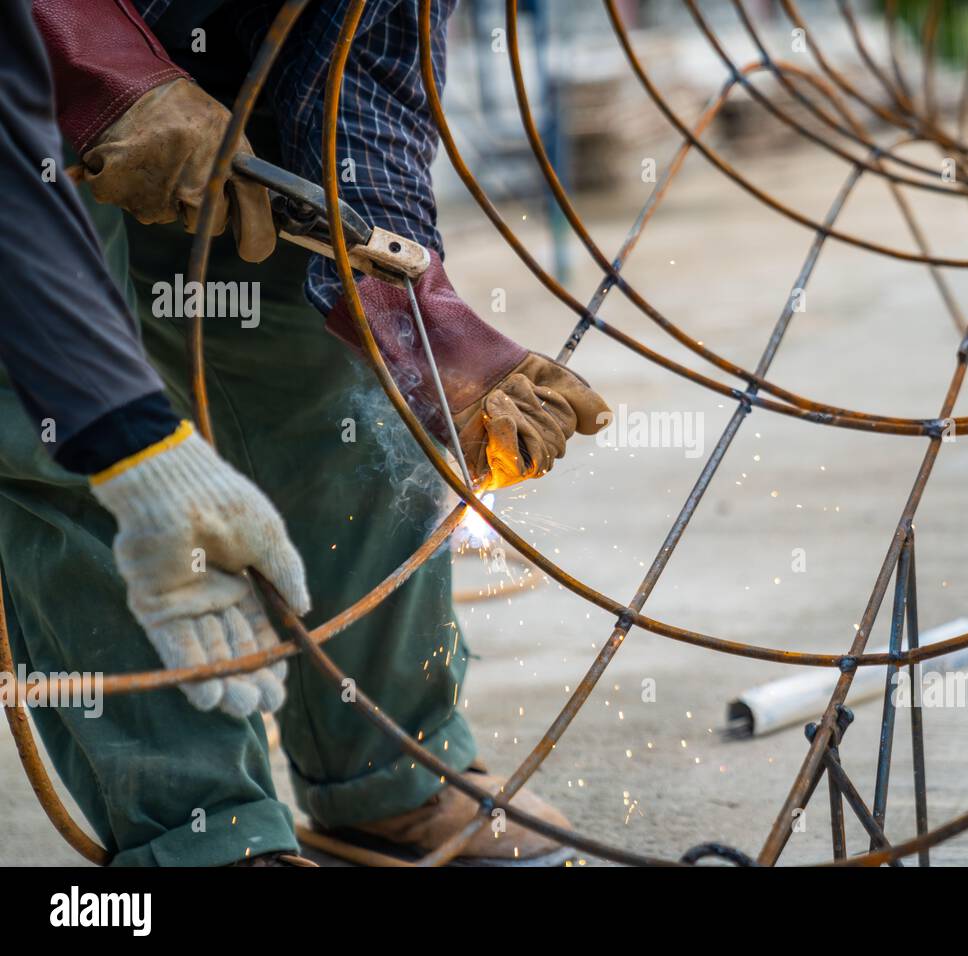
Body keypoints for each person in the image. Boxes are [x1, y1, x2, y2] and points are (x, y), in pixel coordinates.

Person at [0, 0, 607, 866]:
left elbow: (364, 83)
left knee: (328, 380)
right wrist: (105, 76)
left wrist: (408, 315)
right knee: (63, 427)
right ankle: (204, 833)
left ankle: (388, 779)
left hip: (207, 73)